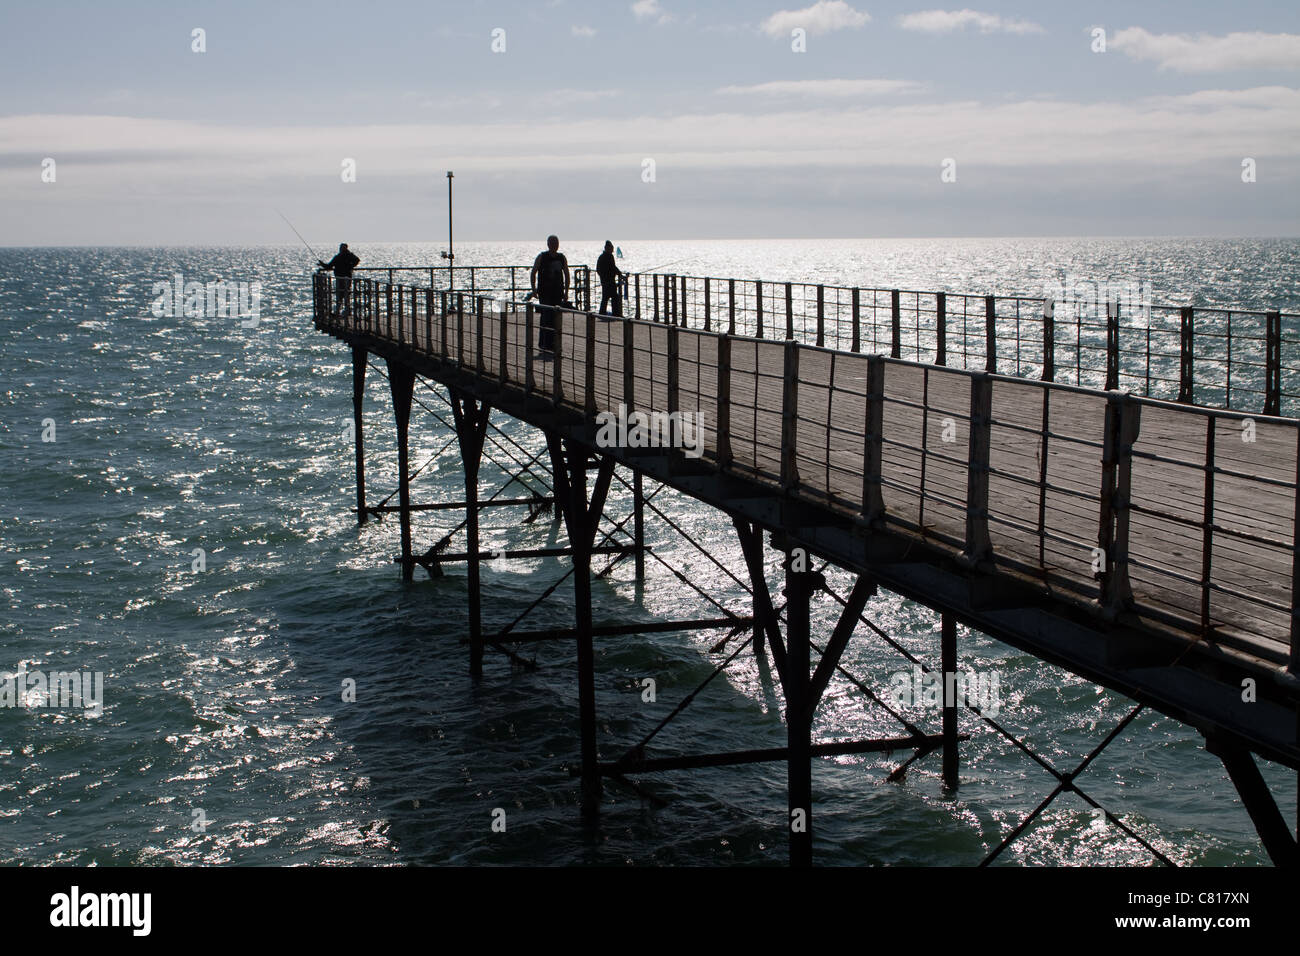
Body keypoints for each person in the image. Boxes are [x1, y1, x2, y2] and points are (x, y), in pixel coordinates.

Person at [530, 235, 569, 354]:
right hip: (545, 292)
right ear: (548, 244)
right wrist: (534, 289)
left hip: (557, 292)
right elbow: (533, 272)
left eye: (556, 243)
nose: (554, 245)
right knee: (546, 317)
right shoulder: (542, 257)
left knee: (556, 318)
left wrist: (566, 291)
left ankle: (555, 343)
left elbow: (567, 274)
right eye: (552, 243)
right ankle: (544, 343)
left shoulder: (561, 258)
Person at [318, 243, 360, 317]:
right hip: (346, 277)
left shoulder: (340, 257)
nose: (341, 249)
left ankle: (339, 311)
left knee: (341, 294)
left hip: (341, 278)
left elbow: (328, 266)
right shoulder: (349, 255)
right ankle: (345, 310)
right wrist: (351, 266)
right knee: (345, 294)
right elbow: (357, 260)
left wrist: (322, 265)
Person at [596, 240, 623, 317]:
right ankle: (616, 314)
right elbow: (613, 267)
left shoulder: (601, 257)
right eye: (611, 248)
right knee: (614, 297)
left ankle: (602, 313)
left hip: (605, 281)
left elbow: (598, 270)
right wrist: (619, 273)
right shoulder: (609, 256)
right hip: (610, 281)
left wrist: (602, 278)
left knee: (605, 298)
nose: (612, 250)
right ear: (607, 248)